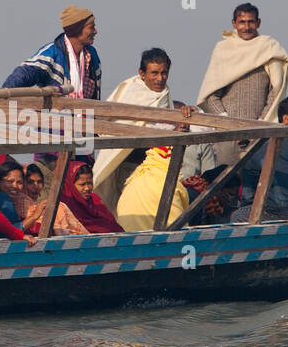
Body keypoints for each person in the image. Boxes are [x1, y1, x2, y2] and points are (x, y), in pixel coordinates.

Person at [92, 47, 193, 209]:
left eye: (164, 73)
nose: (160, 78)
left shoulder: (165, 95)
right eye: (154, 73)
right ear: (142, 73)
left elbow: (163, 124)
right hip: (126, 164)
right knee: (127, 209)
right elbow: (125, 126)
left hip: (151, 167)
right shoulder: (132, 92)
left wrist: (183, 115)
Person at [196, 3, 288, 166]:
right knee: (225, 181)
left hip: (259, 131)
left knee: (257, 181)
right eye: (242, 22)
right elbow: (210, 95)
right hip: (228, 133)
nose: (246, 27)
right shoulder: (224, 49)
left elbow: (275, 92)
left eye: (251, 22)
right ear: (234, 24)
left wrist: (257, 126)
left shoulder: (269, 48)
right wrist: (230, 125)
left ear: (258, 22)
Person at [1, 5, 101, 99]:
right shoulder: (52, 54)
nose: (95, 31)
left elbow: (95, 95)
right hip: (55, 115)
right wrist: (4, 93)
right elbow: (26, 73)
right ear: (77, 30)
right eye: (91, 28)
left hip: (85, 114)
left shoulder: (91, 55)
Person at [115, 146, 189, 232]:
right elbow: (180, 231)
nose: (182, 162)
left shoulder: (134, 177)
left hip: (126, 241)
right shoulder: (170, 183)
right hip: (161, 241)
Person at [59, 161, 123, 233]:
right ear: (71, 185)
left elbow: (112, 224)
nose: (87, 188)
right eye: (82, 184)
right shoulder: (63, 205)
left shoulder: (96, 200)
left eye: (89, 183)